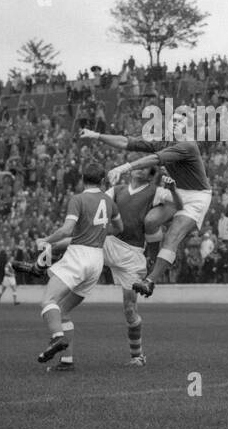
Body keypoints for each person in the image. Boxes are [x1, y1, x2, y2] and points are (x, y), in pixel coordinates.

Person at [80, 107, 212, 298]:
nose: (175, 123)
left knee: (172, 236)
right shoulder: (163, 141)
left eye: (181, 121)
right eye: (173, 119)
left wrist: (124, 167)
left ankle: (150, 281)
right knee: (149, 221)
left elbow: (155, 159)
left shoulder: (188, 146)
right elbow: (127, 142)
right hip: (176, 190)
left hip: (197, 197)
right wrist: (96, 135)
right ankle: (151, 258)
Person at [30, 164, 122, 373]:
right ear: (102, 182)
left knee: (48, 301)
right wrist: (98, 233)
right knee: (62, 311)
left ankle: (57, 337)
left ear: (82, 180)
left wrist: (46, 240)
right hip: (97, 260)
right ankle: (67, 361)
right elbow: (119, 228)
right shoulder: (109, 202)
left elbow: (67, 229)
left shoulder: (78, 199)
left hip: (79, 255)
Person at [103, 166, 176, 366]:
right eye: (139, 166)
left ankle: (137, 356)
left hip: (132, 254)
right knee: (79, 247)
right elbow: (98, 204)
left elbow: (178, 204)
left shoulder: (155, 192)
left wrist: (173, 187)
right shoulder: (117, 190)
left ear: (151, 176)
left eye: (146, 168)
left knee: (129, 308)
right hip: (109, 243)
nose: (140, 169)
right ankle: (48, 254)